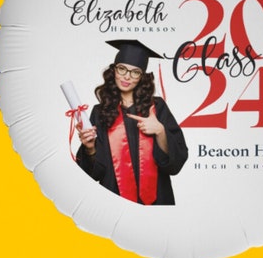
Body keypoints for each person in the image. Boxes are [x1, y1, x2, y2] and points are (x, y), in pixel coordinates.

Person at [75, 39, 188, 204]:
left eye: (135, 72)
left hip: (157, 201)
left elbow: (175, 164)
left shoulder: (157, 107)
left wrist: (160, 131)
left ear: (142, 77)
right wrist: (90, 148)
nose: (127, 76)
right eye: (122, 69)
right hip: (114, 201)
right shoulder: (100, 112)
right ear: (114, 70)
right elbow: (94, 174)